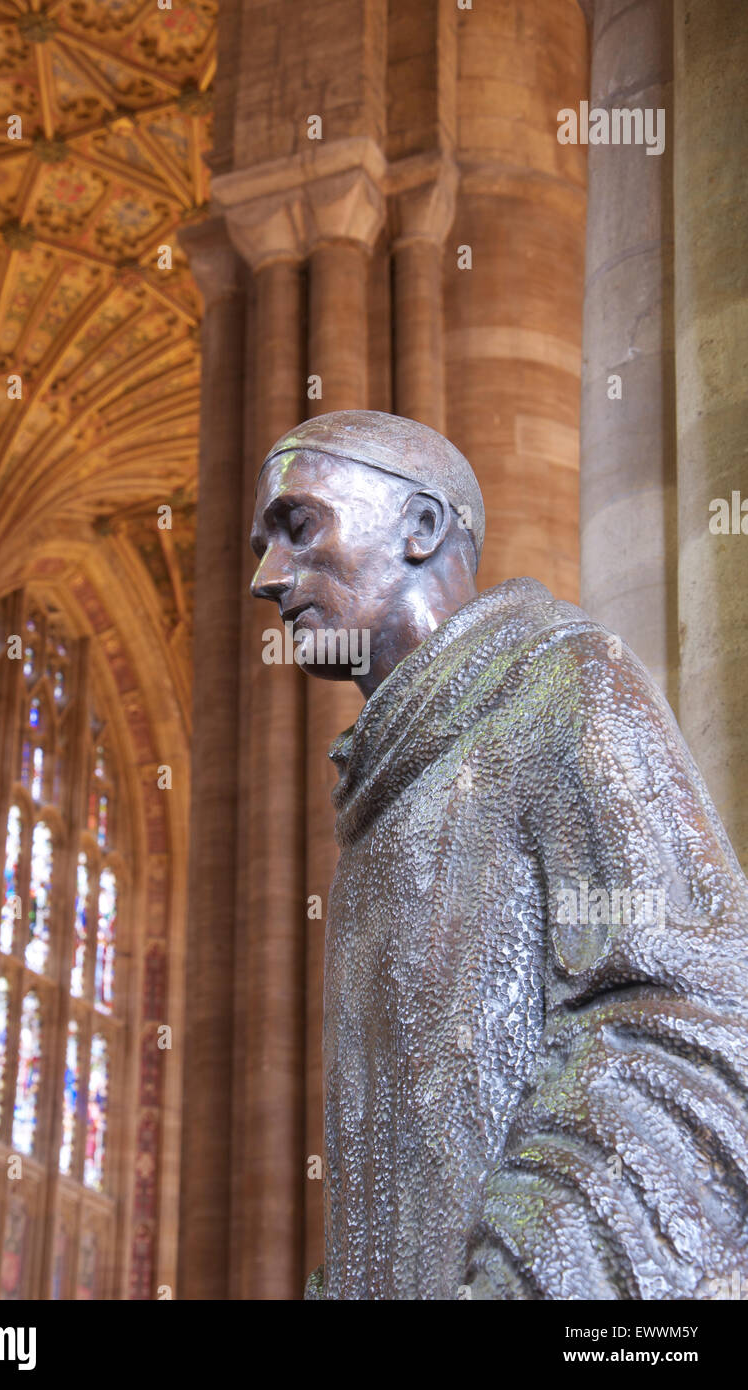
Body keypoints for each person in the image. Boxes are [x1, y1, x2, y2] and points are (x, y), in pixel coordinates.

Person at [250, 409, 748, 1301]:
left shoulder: (566, 687)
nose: (265, 578)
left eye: (296, 526)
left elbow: (683, 1015)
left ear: (421, 527)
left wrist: (523, 1277)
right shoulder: (381, 796)